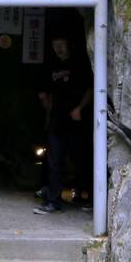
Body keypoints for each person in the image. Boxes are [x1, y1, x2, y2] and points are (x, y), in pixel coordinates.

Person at [34, 33, 93, 215]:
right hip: (57, 120)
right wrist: (48, 114)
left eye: (61, 44)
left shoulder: (80, 64)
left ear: (69, 45)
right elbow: (46, 94)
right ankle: (53, 201)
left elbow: (92, 88)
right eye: (55, 44)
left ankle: (90, 197)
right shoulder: (51, 67)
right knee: (54, 161)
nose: (58, 48)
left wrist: (80, 109)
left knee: (82, 159)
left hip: (76, 120)